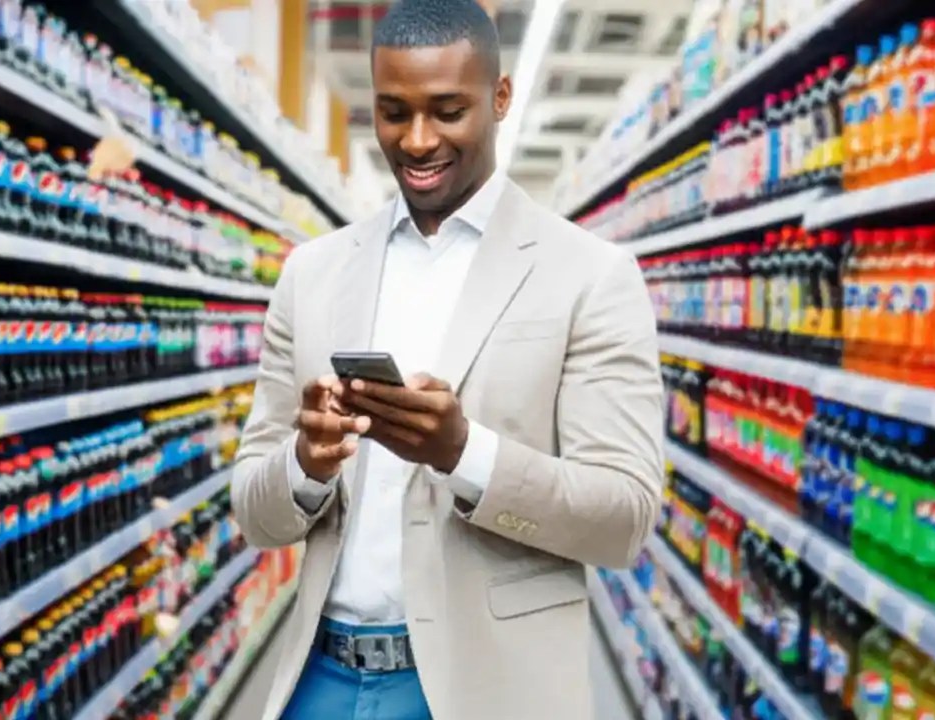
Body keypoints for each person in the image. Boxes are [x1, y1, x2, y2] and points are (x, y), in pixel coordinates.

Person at [230, 0, 663, 718]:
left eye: (447, 110)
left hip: (488, 689)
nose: (418, 140)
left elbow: (624, 520)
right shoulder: (313, 273)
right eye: (394, 112)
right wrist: (306, 462)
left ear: (499, 98)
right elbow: (253, 513)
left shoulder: (591, 274)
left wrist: (465, 453)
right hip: (322, 679)